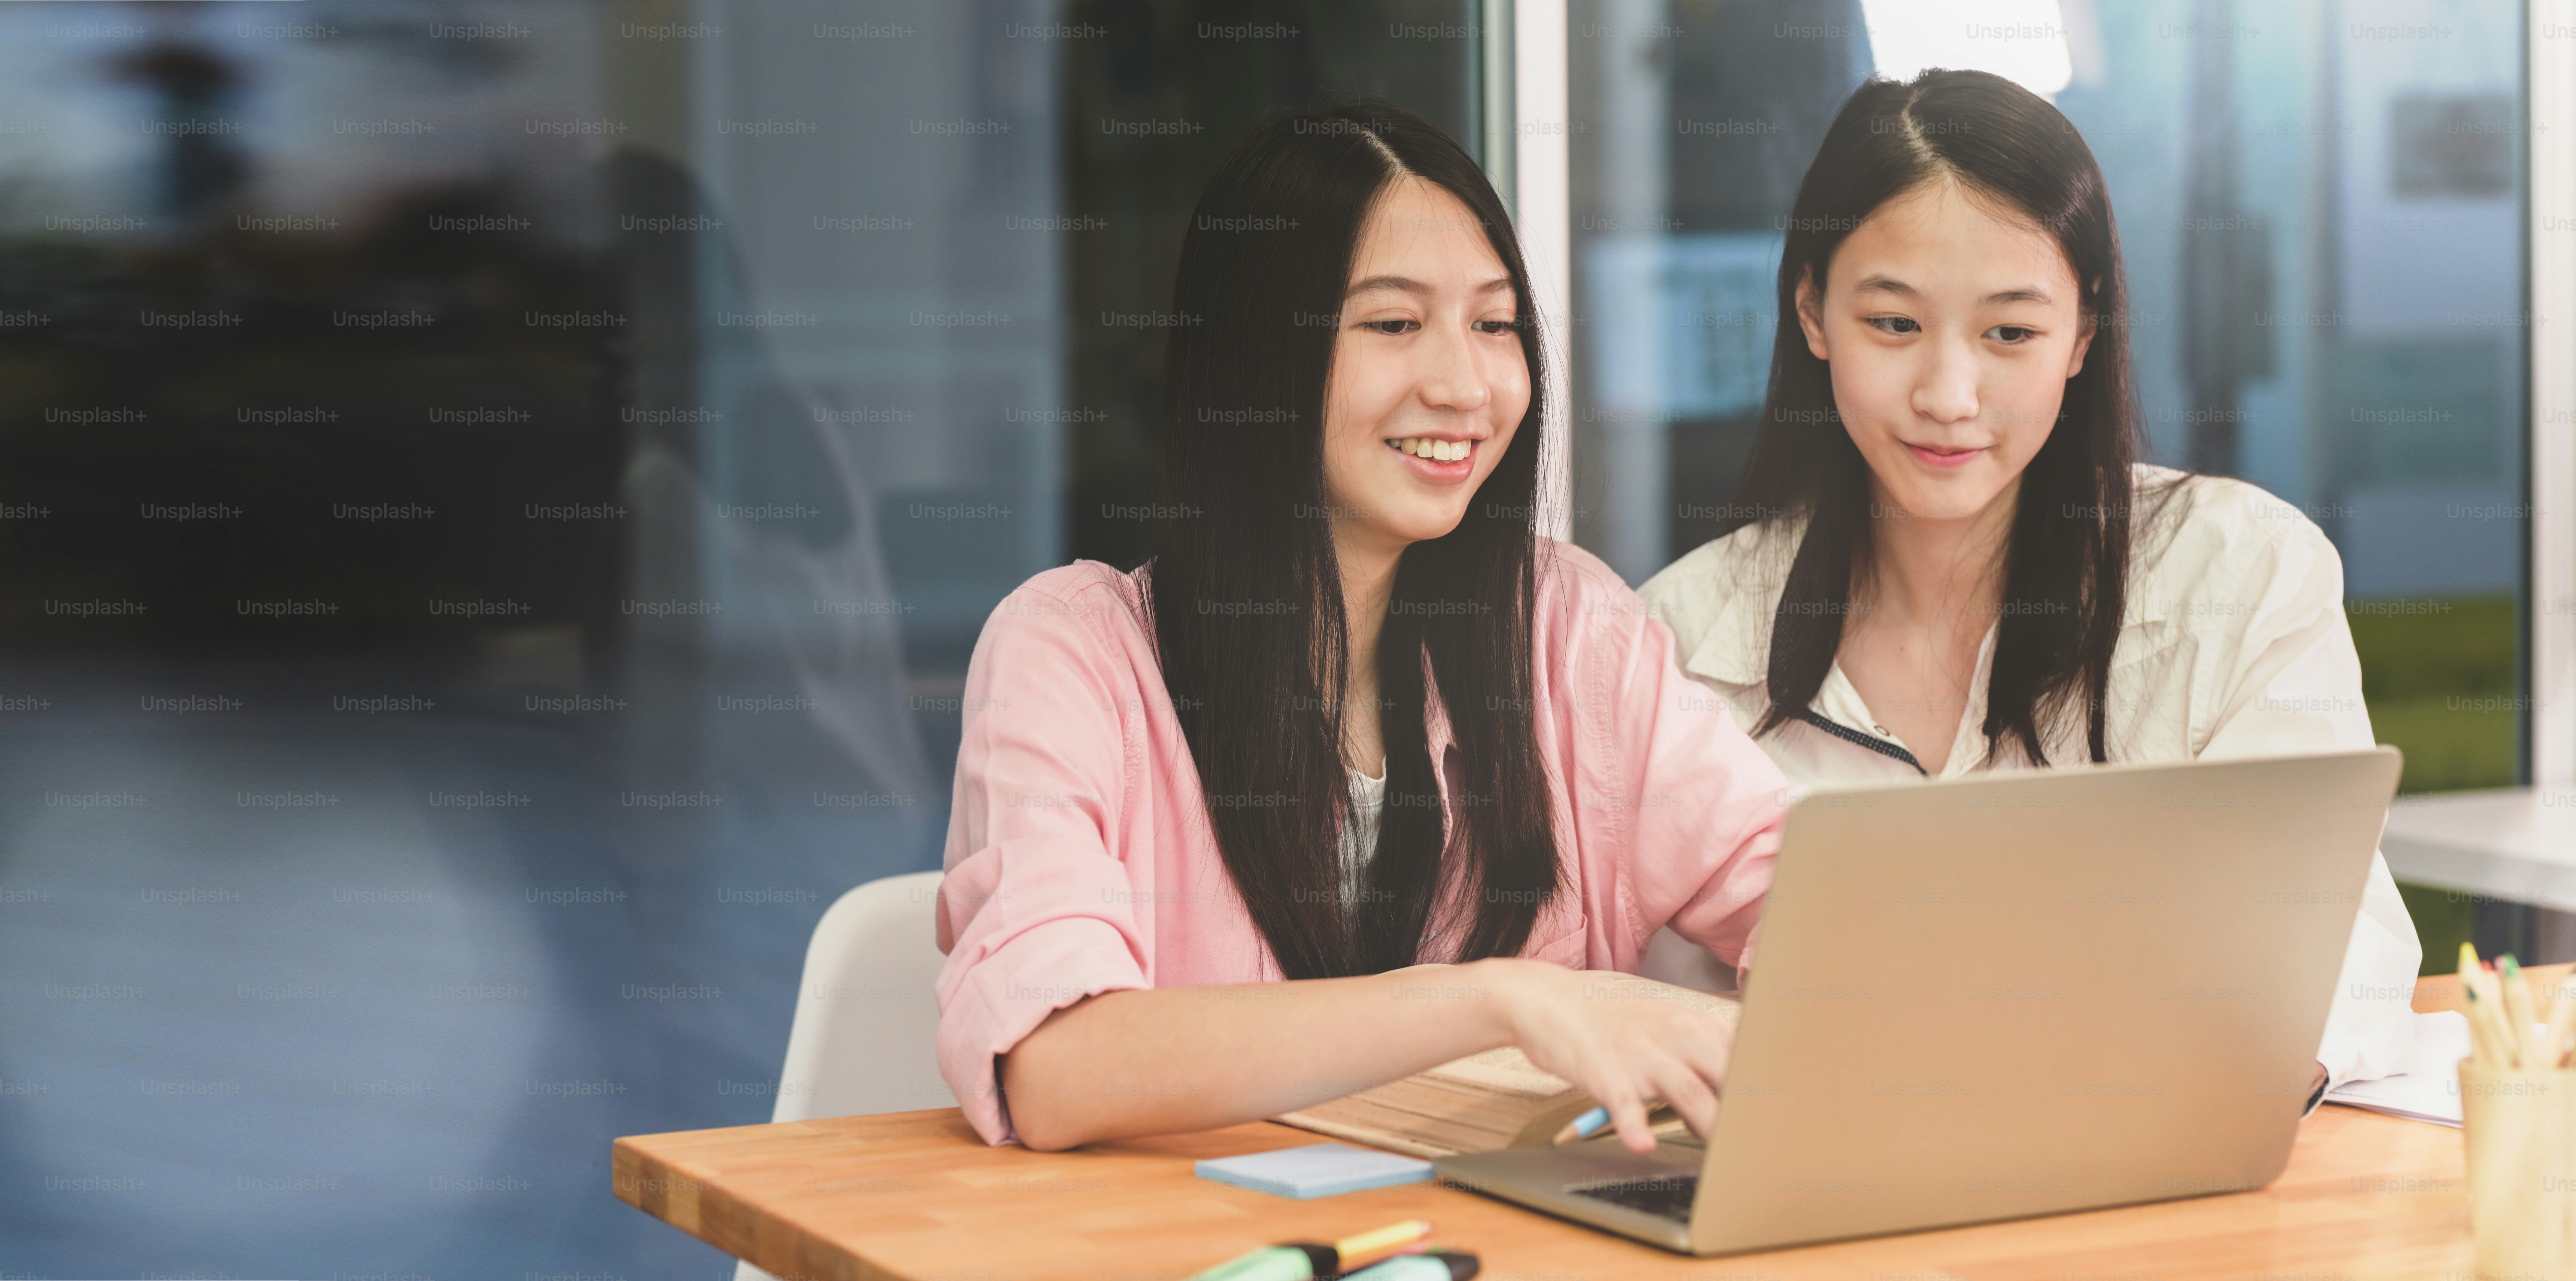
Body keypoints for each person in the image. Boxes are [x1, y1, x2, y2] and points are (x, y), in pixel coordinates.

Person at [933, 103, 1790, 1152]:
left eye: (1493, 323)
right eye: (1394, 324)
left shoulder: (1567, 630)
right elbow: (1059, 1068)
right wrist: (1494, 1001)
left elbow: (1808, 900)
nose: (1465, 385)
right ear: (1255, 356)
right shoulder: (1072, 652)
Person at [1638, 70, 2421, 1104]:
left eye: (2010, 333)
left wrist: (2172, 1085)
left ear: (2082, 341)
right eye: (1894, 324)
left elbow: (2338, 942)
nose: (1949, 397)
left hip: (2153, 1178)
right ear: (1813, 314)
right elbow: (1631, 1003)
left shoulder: (2236, 571)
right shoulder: (1679, 639)